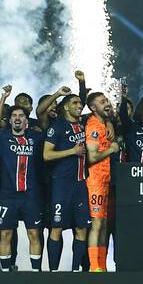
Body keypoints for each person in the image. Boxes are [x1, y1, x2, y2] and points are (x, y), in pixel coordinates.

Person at [0, 96, 46, 271]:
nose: (18, 118)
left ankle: (36, 273)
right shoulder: (1, 136)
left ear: (27, 120)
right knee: (5, 234)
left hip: (30, 196)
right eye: (14, 115)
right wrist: (1, 98)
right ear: (10, 120)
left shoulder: (37, 137)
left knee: (34, 234)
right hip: (8, 196)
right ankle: (6, 273)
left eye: (21, 115)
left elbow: (53, 136)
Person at [44, 94, 91, 271]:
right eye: (75, 103)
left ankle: (75, 271)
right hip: (61, 185)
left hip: (81, 184)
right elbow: (47, 155)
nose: (79, 105)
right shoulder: (57, 127)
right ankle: (54, 272)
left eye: (80, 103)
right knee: (57, 227)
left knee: (81, 228)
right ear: (65, 107)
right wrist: (72, 151)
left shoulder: (83, 125)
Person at [83, 85, 121, 272]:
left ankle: (102, 267)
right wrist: (111, 150)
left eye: (106, 100)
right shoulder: (93, 126)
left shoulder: (104, 124)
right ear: (93, 108)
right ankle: (94, 267)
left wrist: (109, 122)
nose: (106, 103)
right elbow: (91, 157)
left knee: (104, 224)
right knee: (97, 224)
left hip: (105, 180)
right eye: (101, 101)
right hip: (95, 181)